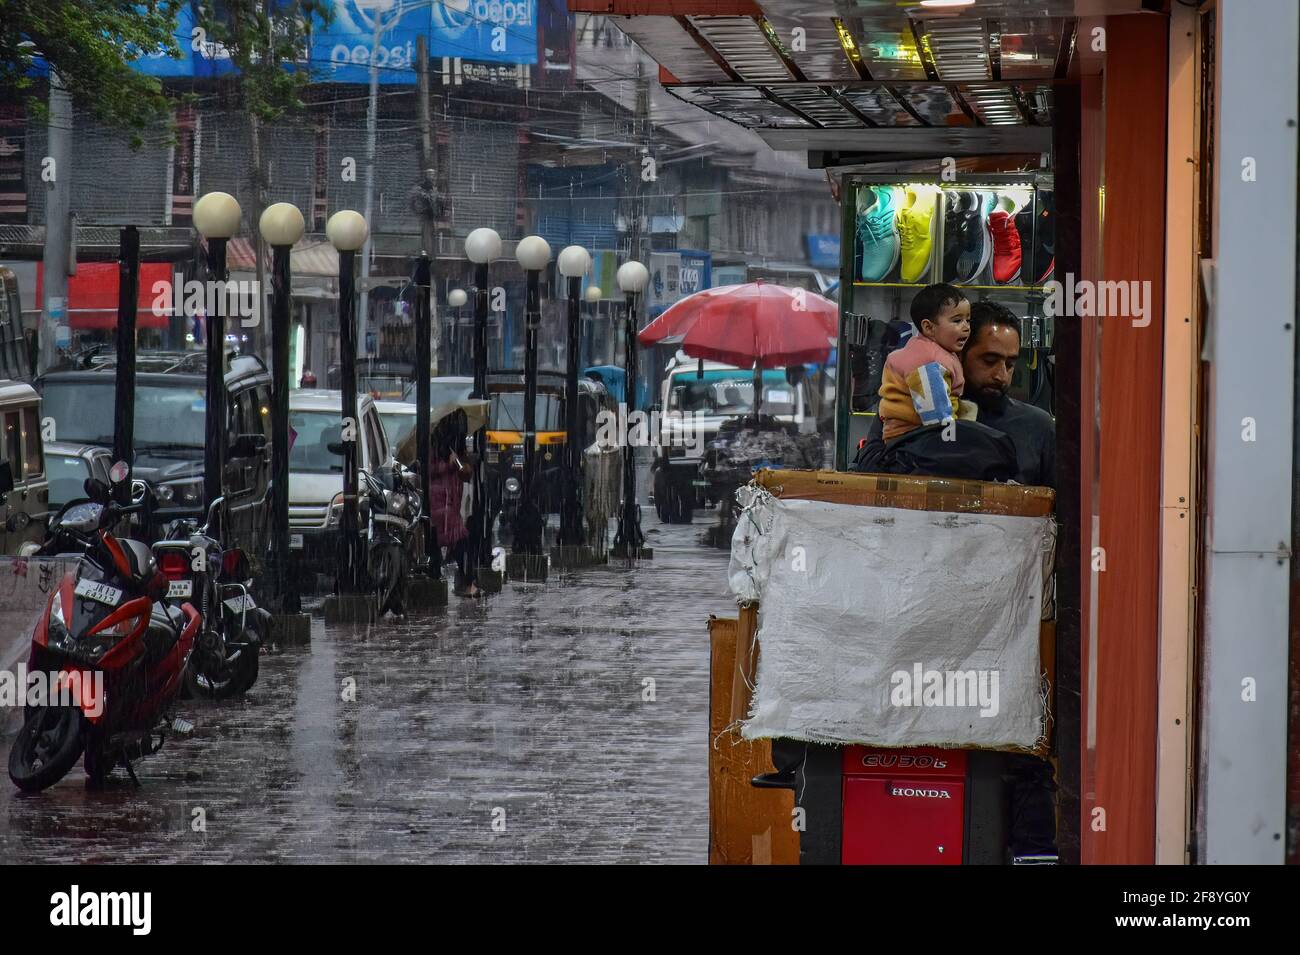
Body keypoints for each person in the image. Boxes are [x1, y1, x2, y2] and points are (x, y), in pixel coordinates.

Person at [856, 300, 1054, 487]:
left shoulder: (1037, 427)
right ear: (957, 355)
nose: (1001, 376)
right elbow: (867, 479)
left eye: (1010, 365)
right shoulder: (907, 412)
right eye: (989, 361)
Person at [877, 283, 976, 441]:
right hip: (911, 439)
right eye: (957, 321)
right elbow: (936, 413)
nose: (966, 327)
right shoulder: (928, 361)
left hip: (914, 437)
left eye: (968, 320)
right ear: (928, 327)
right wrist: (951, 443)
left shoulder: (932, 350)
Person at [428, 409, 480, 598]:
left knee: (446, 544)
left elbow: (465, 474)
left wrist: (460, 463)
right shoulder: (434, 445)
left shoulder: (456, 447)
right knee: (460, 542)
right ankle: (468, 583)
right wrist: (448, 464)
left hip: (451, 501)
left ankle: (438, 578)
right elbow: (428, 469)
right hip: (439, 501)